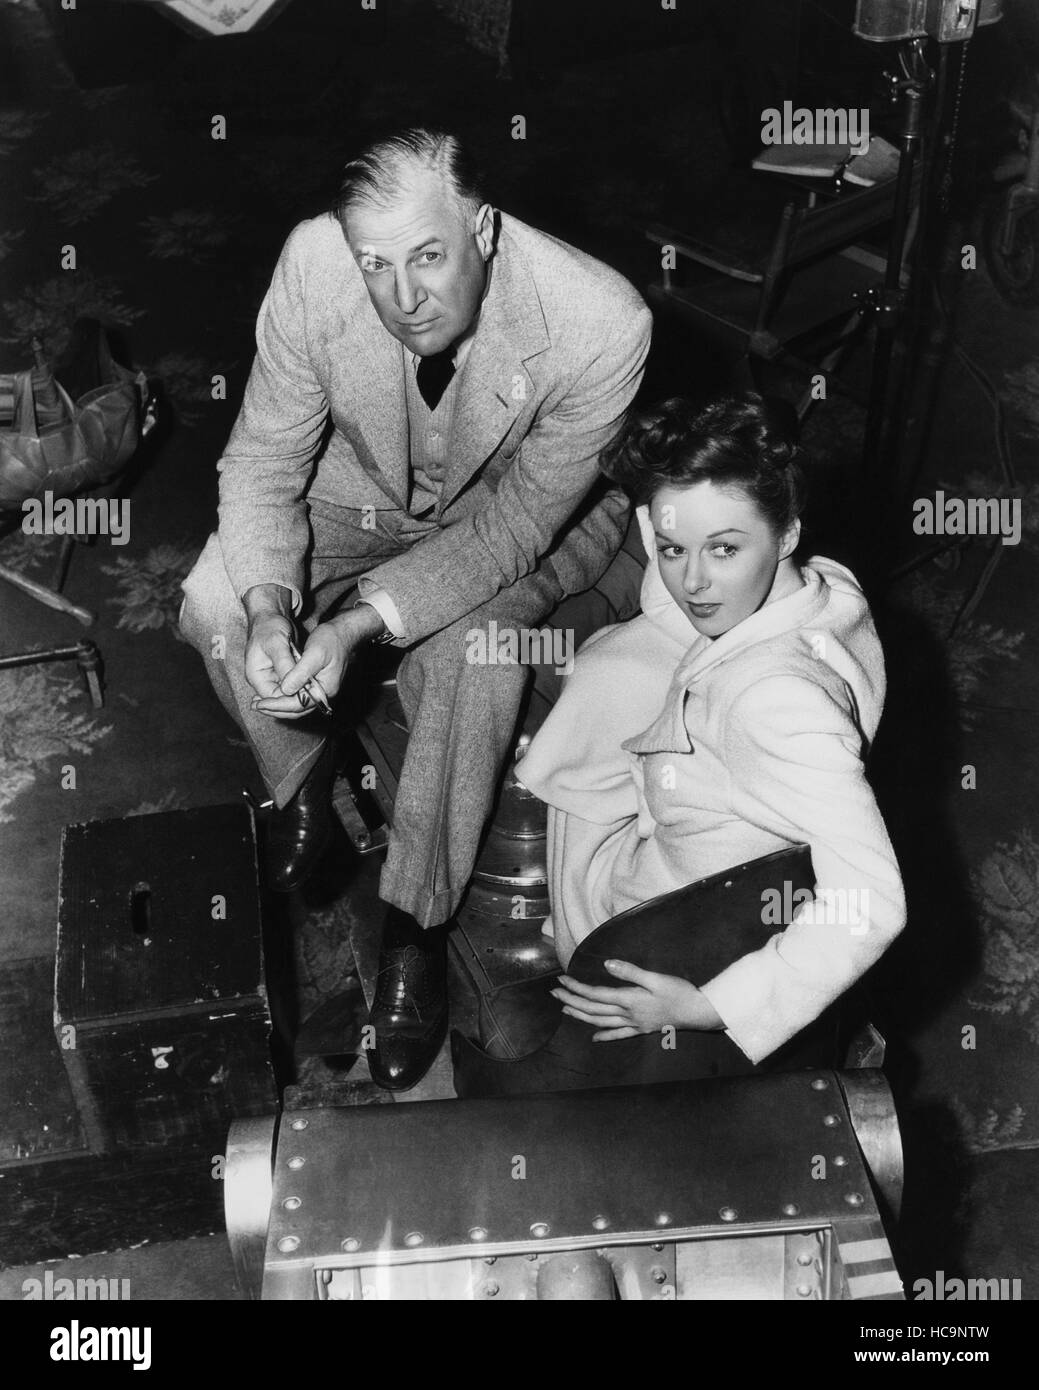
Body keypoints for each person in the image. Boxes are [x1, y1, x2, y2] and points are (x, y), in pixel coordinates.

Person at [178, 127, 652, 1090]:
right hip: (360, 498)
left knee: (472, 659)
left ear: (481, 228)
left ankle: (414, 926)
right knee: (212, 596)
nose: (402, 298)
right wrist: (273, 606)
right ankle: (308, 774)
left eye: (429, 257)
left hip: (528, 520)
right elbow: (264, 459)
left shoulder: (602, 321)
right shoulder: (315, 263)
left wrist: (358, 624)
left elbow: (515, 530)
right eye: (377, 265)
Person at [517, 394, 905, 1065]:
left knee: (598, 681)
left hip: (656, 925)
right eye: (670, 548)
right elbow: (693, 568)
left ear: (785, 534)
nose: (692, 581)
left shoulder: (777, 705)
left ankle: (536, 932)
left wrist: (710, 1006)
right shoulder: (828, 589)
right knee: (622, 654)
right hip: (741, 884)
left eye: (722, 549)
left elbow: (871, 902)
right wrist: (678, 509)